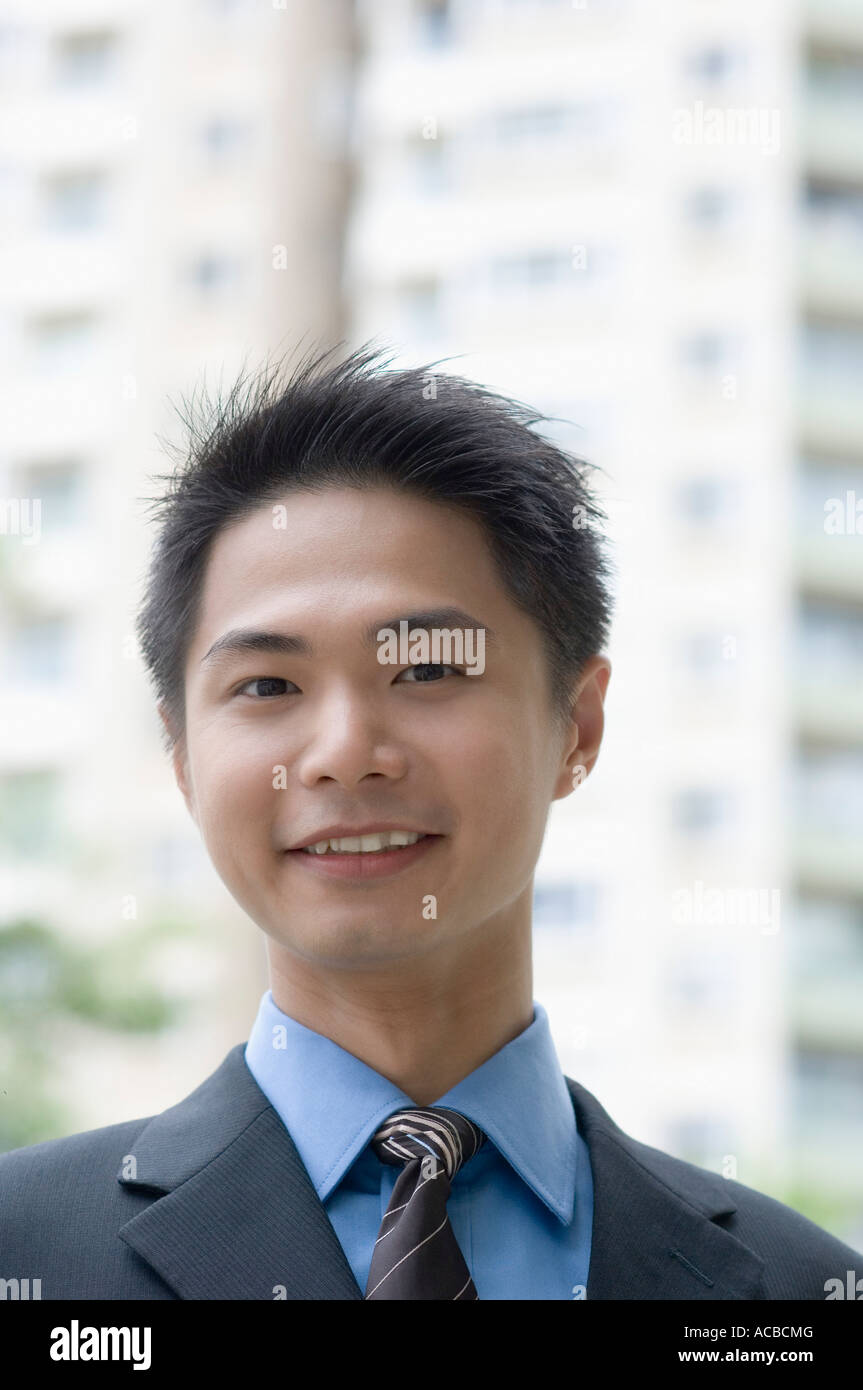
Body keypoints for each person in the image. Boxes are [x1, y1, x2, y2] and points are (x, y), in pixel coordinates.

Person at [1, 345, 859, 1300]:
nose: (344, 751)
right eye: (268, 684)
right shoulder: (23, 1254)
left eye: (427, 670)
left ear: (576, 725)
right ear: (182, 759)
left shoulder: (799, 1291)